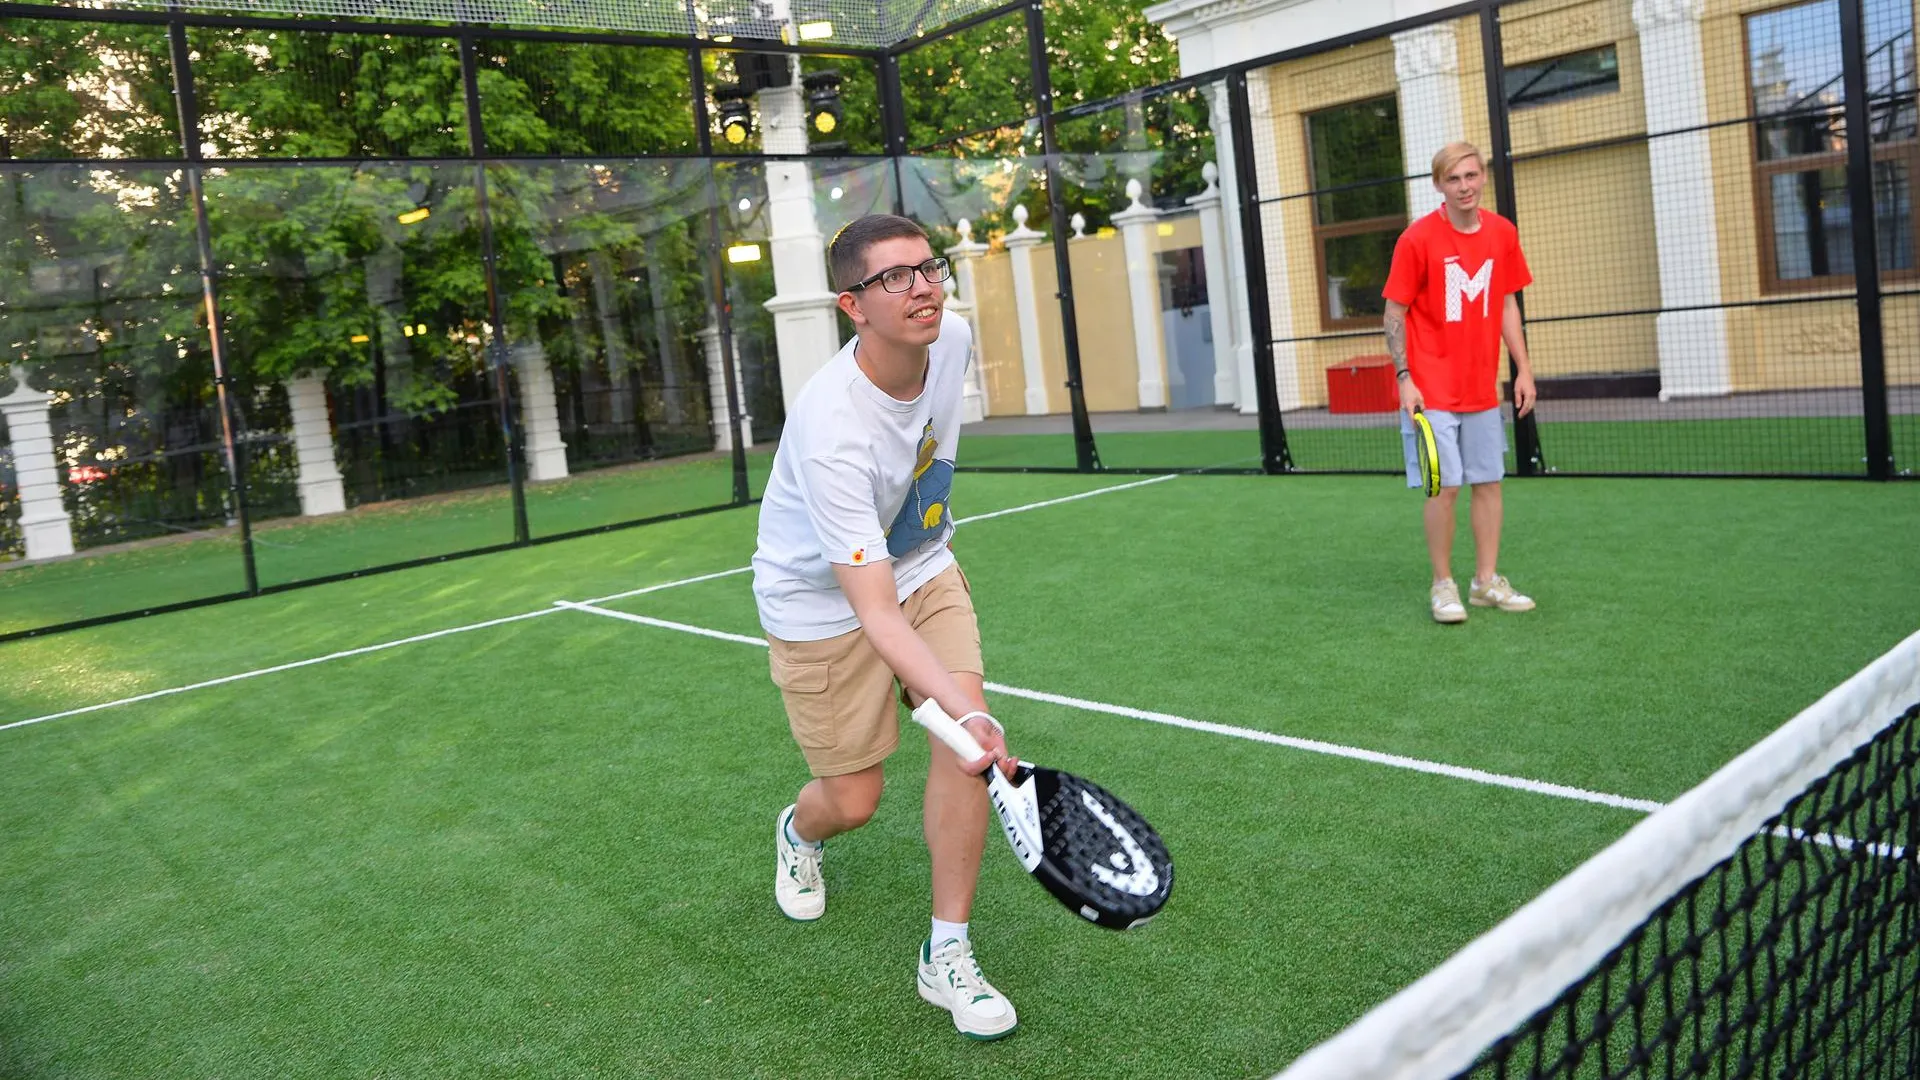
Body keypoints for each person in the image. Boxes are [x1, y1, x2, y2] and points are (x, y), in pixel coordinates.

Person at [750, 213, 1021, 1041]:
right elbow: (870, 611)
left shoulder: (956, 338)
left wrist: (962, 717)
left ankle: (947, 953)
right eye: (894, 277)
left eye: (928, 267)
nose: (924, 287)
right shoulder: (831, 424)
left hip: (924, 564)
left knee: (959, 752)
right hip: (821, 605)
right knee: (854, 800)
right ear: (852, 306)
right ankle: (800, 830)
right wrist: (967, 712)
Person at [1382, 141, 1539, 625]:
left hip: (1481, 387)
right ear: (1439, 185)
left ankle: (1485, 583)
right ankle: (1443, 585)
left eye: (1471, 176)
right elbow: (1394, 312)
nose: (1465, 186)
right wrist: (1405, 378)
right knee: (1444, 487)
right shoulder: (1416, 239)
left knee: (1489, 482)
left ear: (1482, 177)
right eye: (1454, 179)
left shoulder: (1502, 233)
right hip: (1430, 389)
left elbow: (1507, 302)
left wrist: (1523, 367)